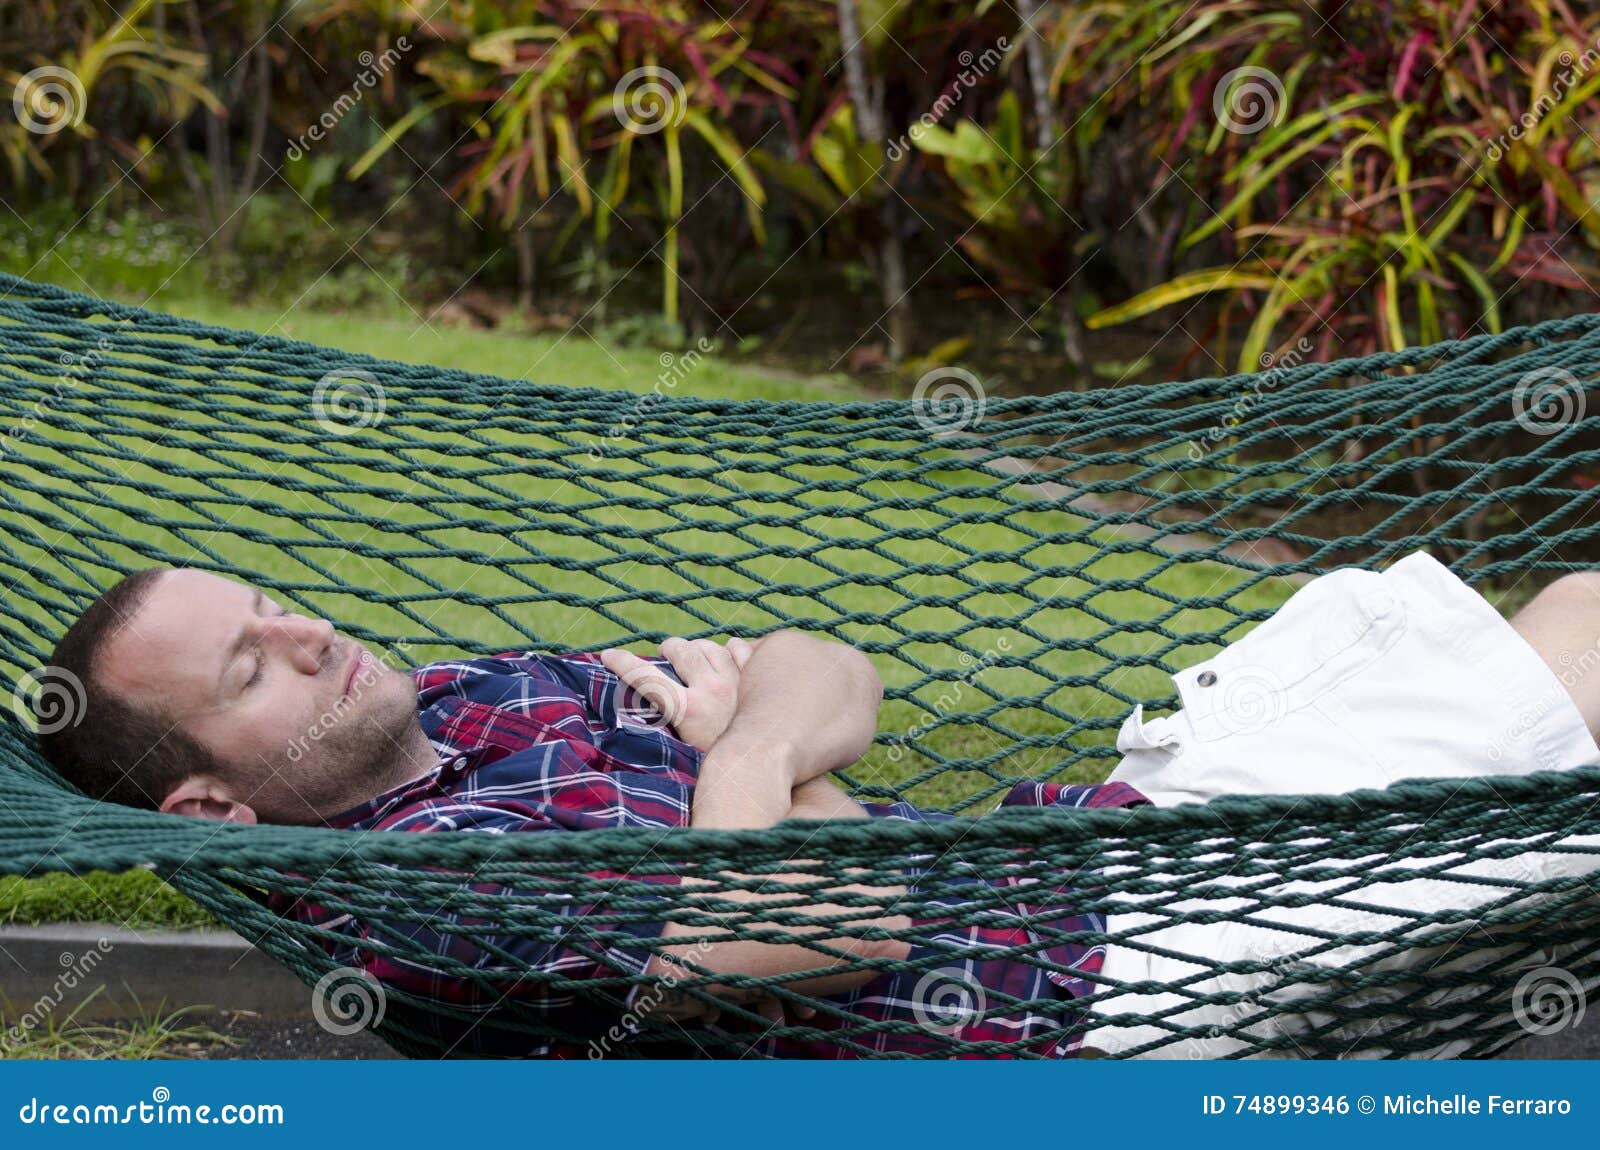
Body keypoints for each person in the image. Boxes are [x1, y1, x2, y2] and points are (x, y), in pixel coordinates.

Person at [32, 550, 1600, 1058]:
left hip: (1088, 846)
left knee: (1579, 606)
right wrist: (751, 759)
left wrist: (766, 755)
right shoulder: (425, 902)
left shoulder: (471, 696)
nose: (313, 634)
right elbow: (843, 917)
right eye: (253, 668)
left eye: (277, 608)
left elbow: (821, 664)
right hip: (1115, 991)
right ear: (213, 810)